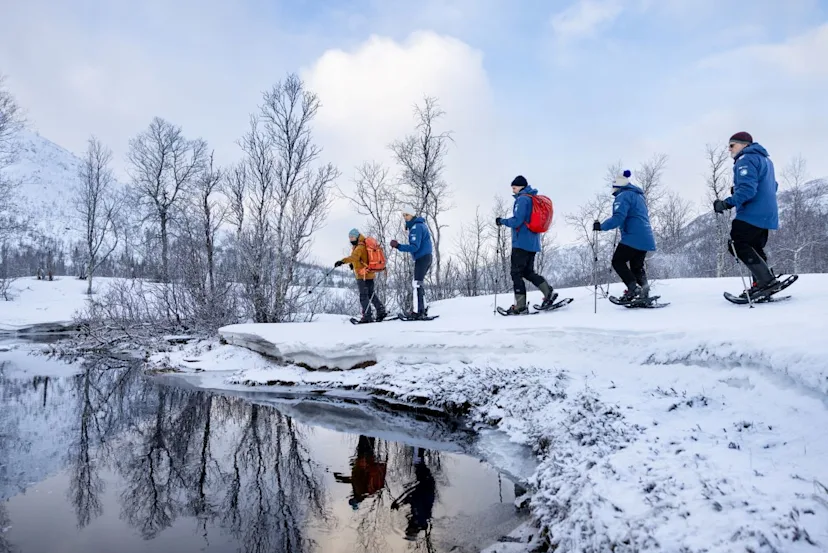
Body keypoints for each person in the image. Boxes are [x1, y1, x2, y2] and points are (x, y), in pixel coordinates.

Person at [713, 131, 781, 298]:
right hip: (768, 214)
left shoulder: (745, 159)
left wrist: (726, 203)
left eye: (732, 145)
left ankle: (766, 281)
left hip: (752, 213)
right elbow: (773, 186)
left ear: (744, 145)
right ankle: (763, 284)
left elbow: (748, 190)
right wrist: (738, 189)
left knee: (737, 244)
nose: (729, 149)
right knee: (755, 247)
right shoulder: (766, 160)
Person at [495, 175, 556, 314]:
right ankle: (548, 293)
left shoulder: (522, 199)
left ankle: (520, 306)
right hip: (532, 243)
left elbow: (517, 221)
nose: (513, 190)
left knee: (516, 273)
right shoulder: (532, 198)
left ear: (521, 186)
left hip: (521, 243)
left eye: (514, 187)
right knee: (528, 272)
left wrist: (502, 221)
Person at [593, 169, 657, 303]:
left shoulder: (623, 196)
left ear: (617, 187)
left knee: (618, 261)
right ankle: (644, 292)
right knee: (636, 266)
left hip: (633, 236)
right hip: (646, 237)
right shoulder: (639, 196)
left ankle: (633, 289)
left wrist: (601, 226)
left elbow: (618, 218)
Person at [335, 228, 387, 323]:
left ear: (357, 236)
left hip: (362, 275)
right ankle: (381, 311)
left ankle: (367, 316)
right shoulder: (364, 245)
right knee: (370, 294)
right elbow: (362, 259)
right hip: (370, 274)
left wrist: (342, 261)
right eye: (350, 237)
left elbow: (354, 257)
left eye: (352, 237)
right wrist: (353, 264)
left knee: (363, 296)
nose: (351, 239)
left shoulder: (360, 247)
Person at [390, 208, 433, 319]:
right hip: (426, 257)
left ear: (412, 215)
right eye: (404, 215)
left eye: (407, 215)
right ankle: (422, 309)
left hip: (422, 257)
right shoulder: (420, 225)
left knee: (416, 284)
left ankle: (417, 312)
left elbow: (415, 247)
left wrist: (398, 246)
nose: (405, 217)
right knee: (418, 283)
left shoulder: (416, 227)